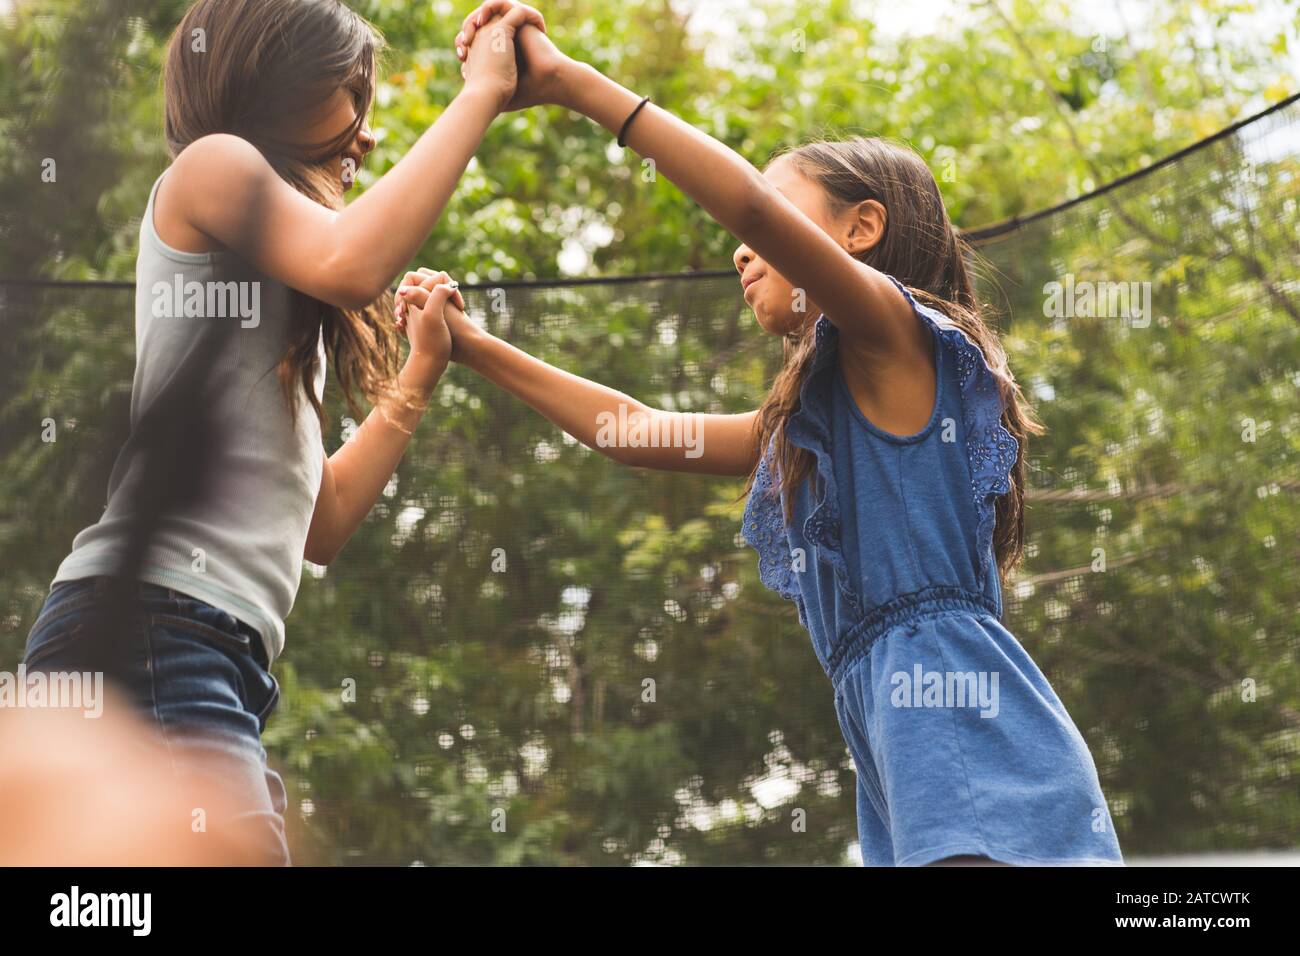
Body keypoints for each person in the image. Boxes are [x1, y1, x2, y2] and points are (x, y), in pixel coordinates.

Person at [422, 0, 1126, 865]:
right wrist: (475, 349)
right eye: (753, 236)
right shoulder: (811, 421)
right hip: (911, 777)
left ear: (859, 229)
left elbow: (751, 212)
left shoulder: (899, 339)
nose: (739, 252)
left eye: (783, 219)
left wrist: (571, 83)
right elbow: (631, 430)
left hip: (980, 762)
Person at [19, 0, 541, 865]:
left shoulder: (276, 302)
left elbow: (320, 522)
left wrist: (418, 372)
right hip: (153, 625)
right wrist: (482, 90)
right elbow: (352, 261)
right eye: (349, 98)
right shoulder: (210, 169)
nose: (365, 137)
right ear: (274, 86)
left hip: (213, 646)